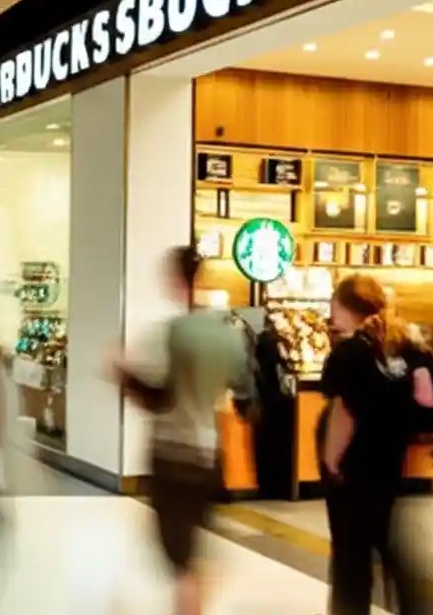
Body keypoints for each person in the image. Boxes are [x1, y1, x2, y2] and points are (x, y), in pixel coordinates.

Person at [114, 247, 253, 615]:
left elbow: (157, 398)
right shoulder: (228, 333)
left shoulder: (172, 333)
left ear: (177, 280)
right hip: (210, 454)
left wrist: (122, 372)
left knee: (180, 559)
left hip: (172, 454)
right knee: (191, 549)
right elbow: (240, 388)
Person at [320, 274, 433, 615]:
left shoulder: (350, 352)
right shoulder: (409, 347)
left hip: (354, 470)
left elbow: (344, 411)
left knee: (350, 557)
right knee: (389, 545)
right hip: (389, 463)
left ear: (344, 306)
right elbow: (427, 402)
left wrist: (331, 461)